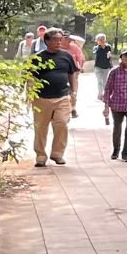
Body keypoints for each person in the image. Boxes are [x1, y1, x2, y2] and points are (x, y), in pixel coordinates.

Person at [29, 30, 79, 167]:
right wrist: (30, 95)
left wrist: (74, 92)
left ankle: (57, 154)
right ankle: (40, 155)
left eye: (60, 39)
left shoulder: (66, 57)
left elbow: (72, 75)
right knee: (40, 128)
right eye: (55, 40)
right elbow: (30, 78)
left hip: (62, 97)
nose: (59, 42)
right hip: (41, 98)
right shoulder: (37, 58)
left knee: (62, 123)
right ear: (47, 41)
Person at [66, 35, 87, 117]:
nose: (67, 40)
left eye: (68, 39)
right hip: (61, 72)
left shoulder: (74, 47)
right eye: (65, 38)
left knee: (73, 90)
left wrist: (80, 67)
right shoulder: (58, 47)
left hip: (73, 72)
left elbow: (81, 58)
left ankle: (73, 109)